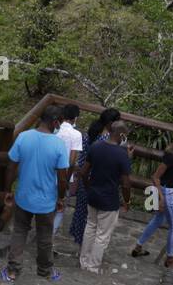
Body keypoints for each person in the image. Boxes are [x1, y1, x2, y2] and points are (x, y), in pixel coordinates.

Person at [2, 105, 70, 283]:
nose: (59, 126)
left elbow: (11, 166)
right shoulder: (58, 144)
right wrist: (61, 198)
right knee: (45, 236)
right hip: (46, 201)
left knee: (19, 231)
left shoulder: (23, 137)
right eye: (59, 123)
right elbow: (62, 178)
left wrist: (8, 190)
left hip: (23, 196)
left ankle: (12, 271)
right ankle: (45, 271)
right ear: (54, 122)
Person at [79, 121, 132, 273]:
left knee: (90, 228)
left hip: (93, 195)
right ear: (121, 135)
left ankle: (84, 261)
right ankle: (93, 266)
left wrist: (88, 188)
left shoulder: (96, 146)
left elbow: (83, 172)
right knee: (102, 235)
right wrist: (127, 200)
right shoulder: (122, 154)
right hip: (109, 199)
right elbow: (126, 183)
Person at [130, 133, 173, 270]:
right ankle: (170, 258)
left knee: (157, 219)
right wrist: (161, 198)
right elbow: (155, 177)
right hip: (165, 192)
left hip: (164, 190)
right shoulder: (170, 158)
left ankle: (138, 246)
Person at [70, 108, 120, 245]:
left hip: (84, 178)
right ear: (111, 123)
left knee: (82, 213)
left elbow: (82, 159)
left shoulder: (90, 134)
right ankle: (89, 248)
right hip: (99, 182)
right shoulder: (109, 140)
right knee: (96, 219)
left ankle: (80, 244)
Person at [53, 104, 84, 236]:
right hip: (64, 175)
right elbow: (71, 161)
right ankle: (50, 236)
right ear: (75, 117)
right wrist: (66, 181)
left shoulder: (54, 130)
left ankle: (42, 232)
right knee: (60, 207)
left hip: (48, 173)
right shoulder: (76, 134)